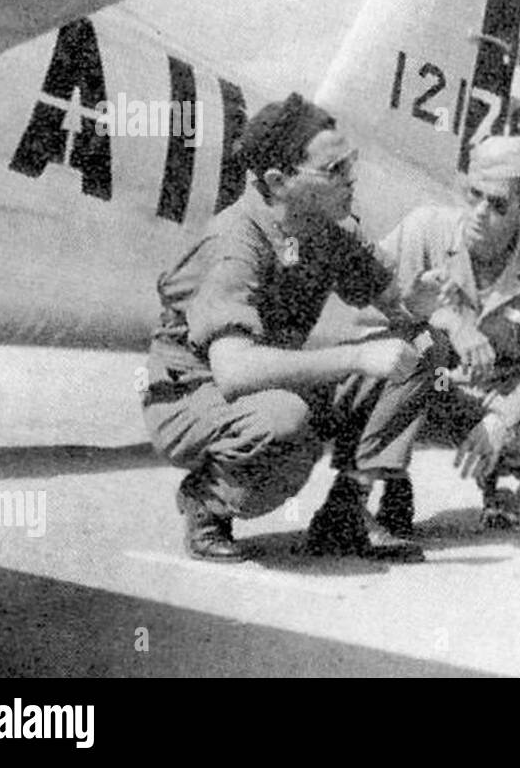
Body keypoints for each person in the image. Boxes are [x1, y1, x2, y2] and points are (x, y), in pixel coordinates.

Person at [142, 93, 444, 564]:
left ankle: (345, 512)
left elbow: (397, 304)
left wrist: (418, 302)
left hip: (271, 381)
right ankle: (208, 501)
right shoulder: (235, 242)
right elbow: (235, 371)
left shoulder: (327, 227)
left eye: (351, 163)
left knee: (421, 349)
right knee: (285, 422)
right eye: (335, 170)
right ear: (278, 182)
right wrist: (356, 357)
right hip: (193, 396)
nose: (351, 178)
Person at [374, 133, 520, 531]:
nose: (478, 212)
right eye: (473, 194)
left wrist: (502, 421)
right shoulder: (425, 229)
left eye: (496, 204)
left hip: (496, 398)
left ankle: (502, 485)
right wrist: (448, 320)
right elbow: (370, 303)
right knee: (391, 360)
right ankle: (384, 480)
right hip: (428, 391)